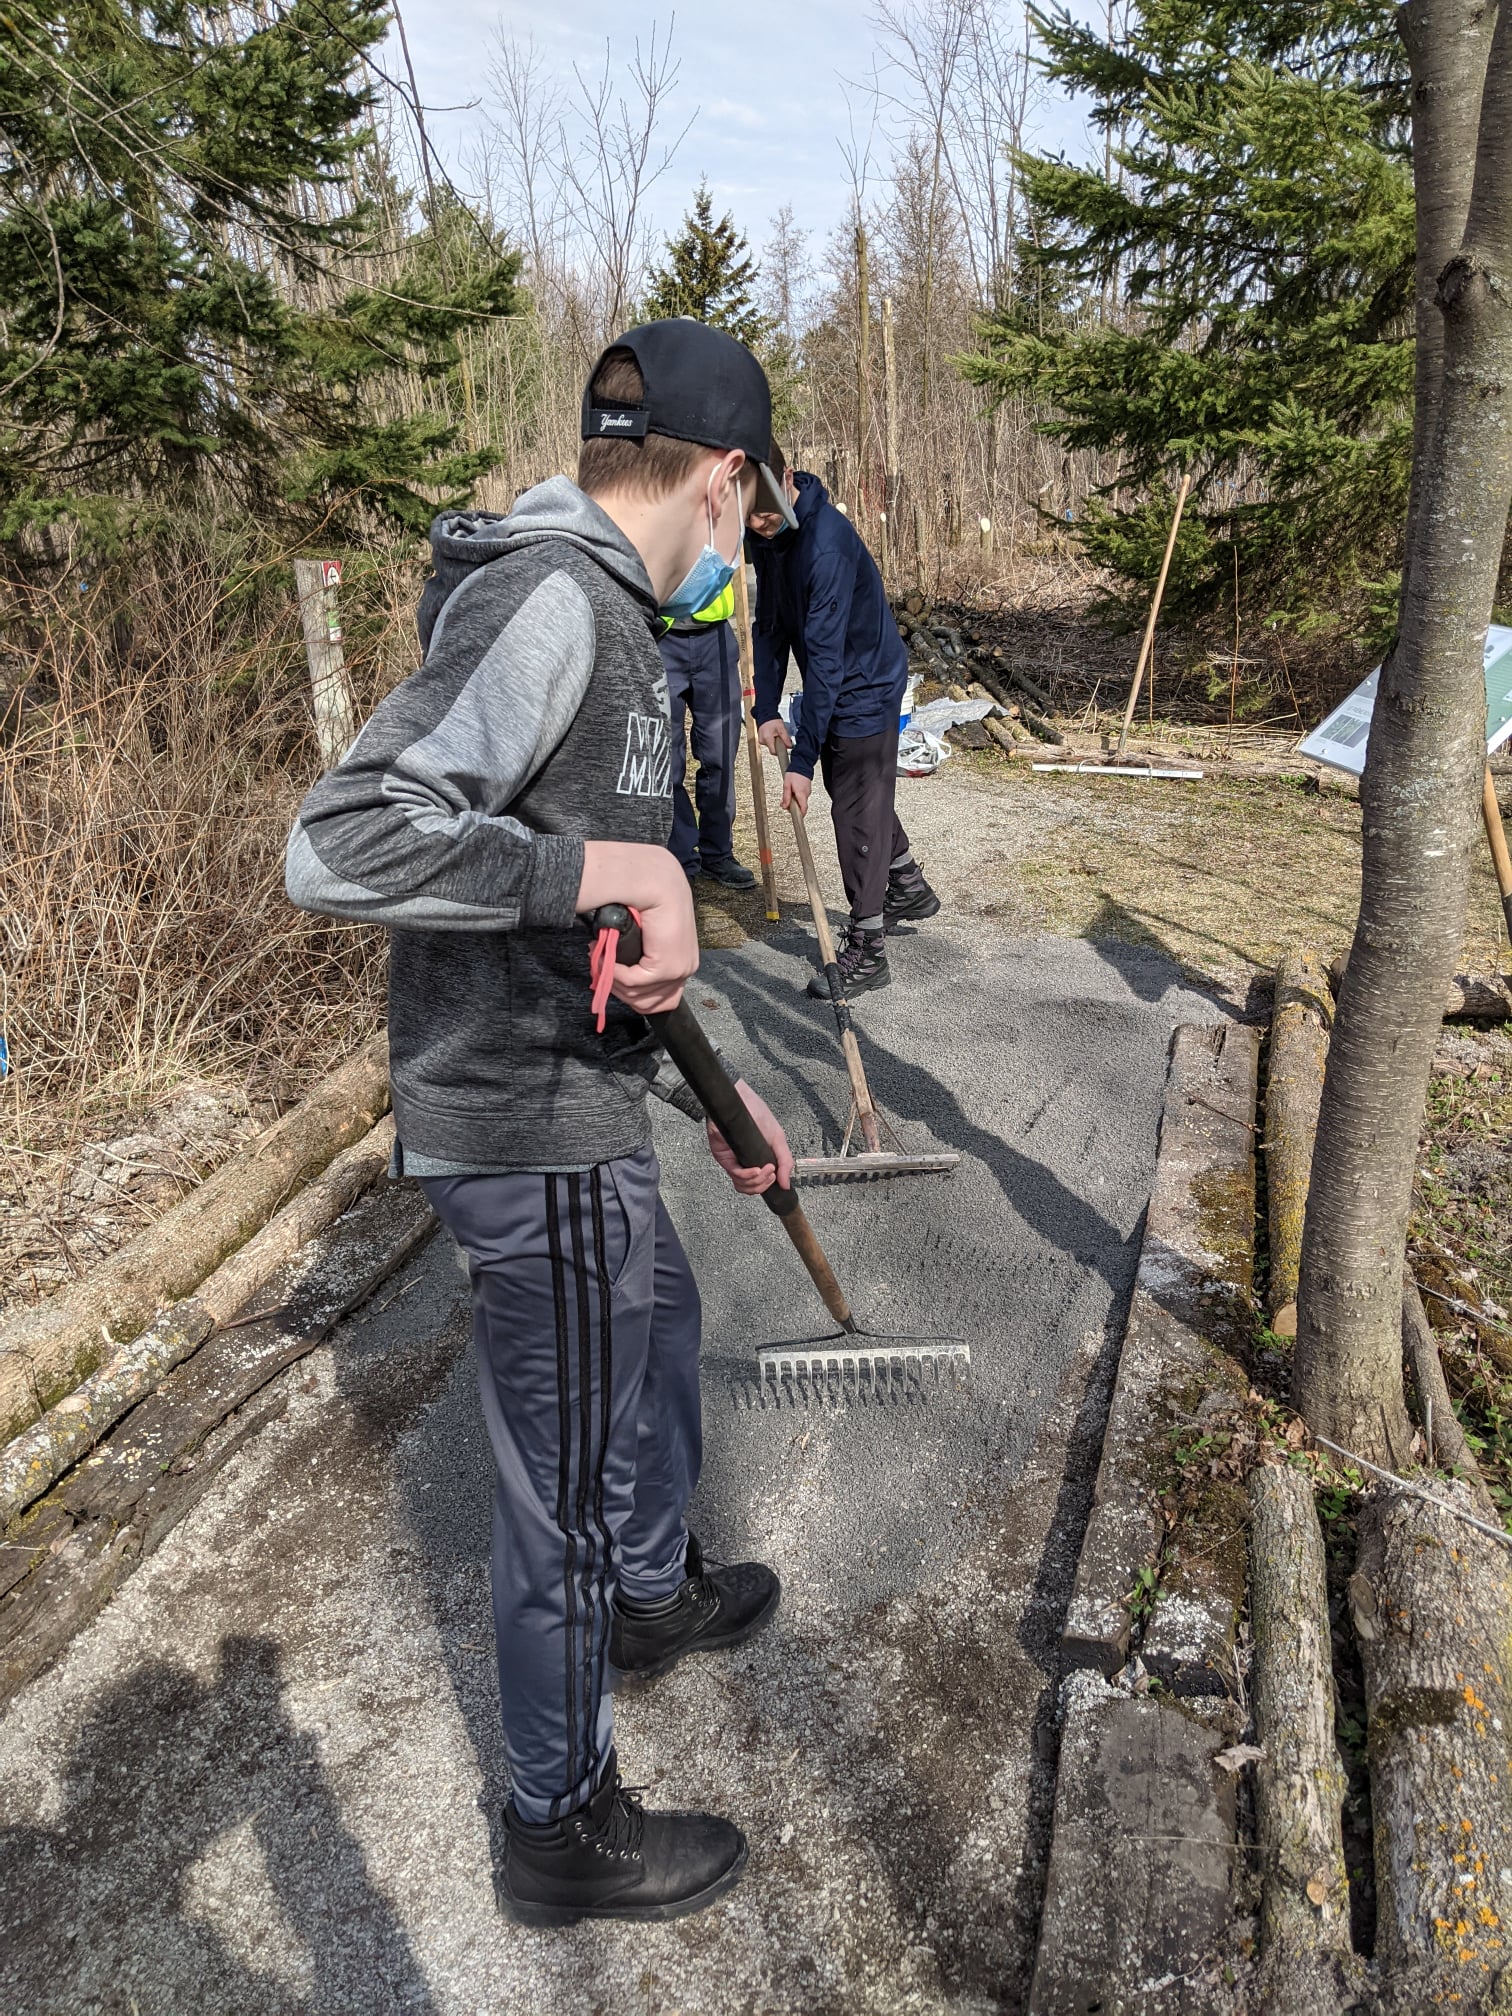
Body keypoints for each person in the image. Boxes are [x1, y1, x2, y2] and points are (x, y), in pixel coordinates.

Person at [285, 320, 801, 1927]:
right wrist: (599, 871)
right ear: (722, 480)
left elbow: (608, 929)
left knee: (661, 1318)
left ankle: (651, 1597)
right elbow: (342, 842)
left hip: (591, 1100)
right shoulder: (550, 600)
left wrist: (718, 1093)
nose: (745, 544)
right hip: (523, 1125)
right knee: (558, 1488)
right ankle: (559, 1826)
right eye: (752, 507)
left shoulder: (628, 622)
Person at [748, 448, 940, 997]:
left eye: (765, 511)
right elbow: (770, 626)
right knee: (859, 795)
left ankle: (868, 947)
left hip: (867, 681)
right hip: (836, 677)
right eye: (748, 515)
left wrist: (802, 761)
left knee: (855, 806)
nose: (759, 523)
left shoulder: (825, 544)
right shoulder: (766, 536)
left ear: (787, 478)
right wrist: (765, 709)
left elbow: (827, 659)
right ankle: (905, 883)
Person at [659, 583, 757, 888]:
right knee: (665, 760)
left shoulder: (716, 531)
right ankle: (679, 857)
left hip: (714, 637)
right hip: (659, 635)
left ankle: (717, 852)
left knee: (721, 753)